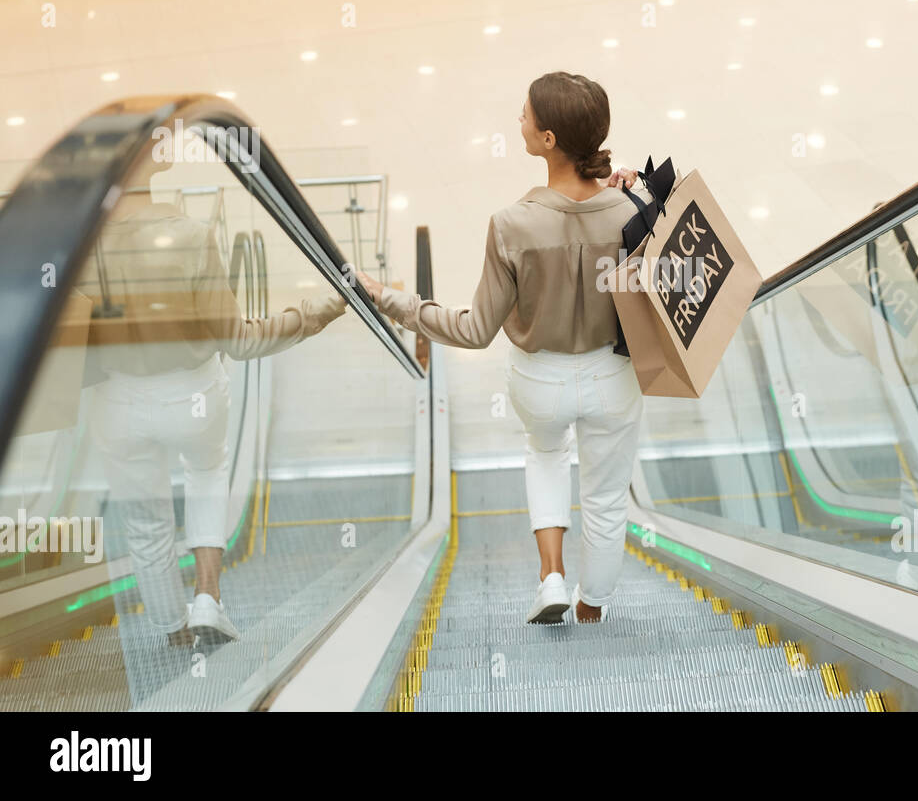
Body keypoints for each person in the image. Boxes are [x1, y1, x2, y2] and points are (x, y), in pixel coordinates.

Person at [358, 71, 646, 625]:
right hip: (615, 376)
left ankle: (551, 578)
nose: (520, 117)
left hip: (541, 381)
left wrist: (395, 302)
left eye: (527, 114)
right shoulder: (631, 211)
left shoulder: (513, 224)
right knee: (608, 498)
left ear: (548, 141)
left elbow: (474, 330)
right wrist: (631, 190)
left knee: (544, 456)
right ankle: (592, 609)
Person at [88, 161, 346, 648]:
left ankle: (172, 629)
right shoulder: (189, 235)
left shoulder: (83, 243)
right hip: (192, 393)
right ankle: (208, 597)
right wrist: (317, 313)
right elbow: (239, 340)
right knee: (206, 473)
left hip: (116, 398)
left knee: (145, 518)